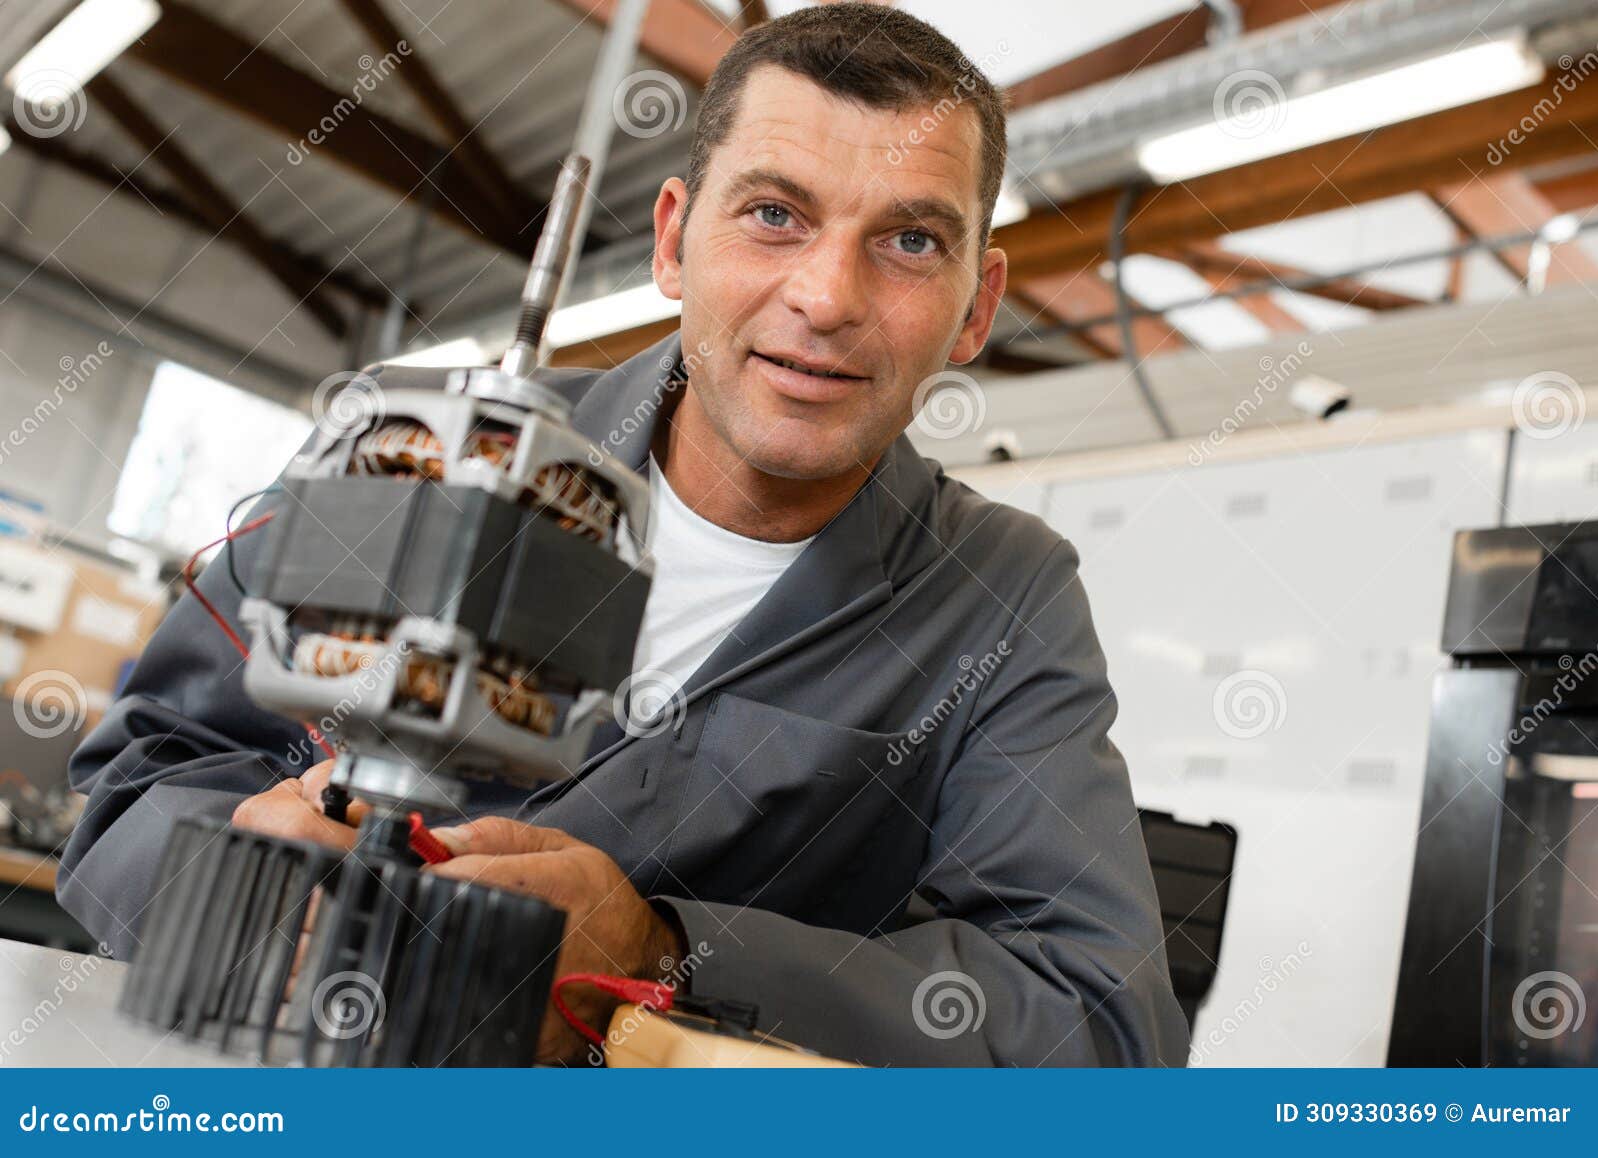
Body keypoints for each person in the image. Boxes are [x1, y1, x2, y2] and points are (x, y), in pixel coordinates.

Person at [59, 3, 1189, 1067]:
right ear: (671, 240)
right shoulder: (404, 439)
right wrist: (230, 872)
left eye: (907, 243)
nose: (827, 294)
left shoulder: (999, 596)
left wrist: (661, 961)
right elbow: (137, 782)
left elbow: (1100, 1019)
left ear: (977, 309)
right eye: (773, 214)